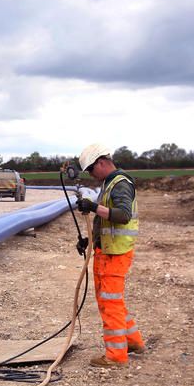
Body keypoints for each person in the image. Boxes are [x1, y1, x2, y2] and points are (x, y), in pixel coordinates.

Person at [77, 143, 144, 367]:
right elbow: (104, 221)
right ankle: (133, 341)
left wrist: (92, 207)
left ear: (102, 162)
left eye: (91, 169)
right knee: (112, 301)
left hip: (115, 254)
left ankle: (116, 356)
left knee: (110, 304)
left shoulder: (120, 184)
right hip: (107, 251)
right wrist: (89, 241)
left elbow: (123, 215)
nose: (91, 174)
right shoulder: (109, 183)